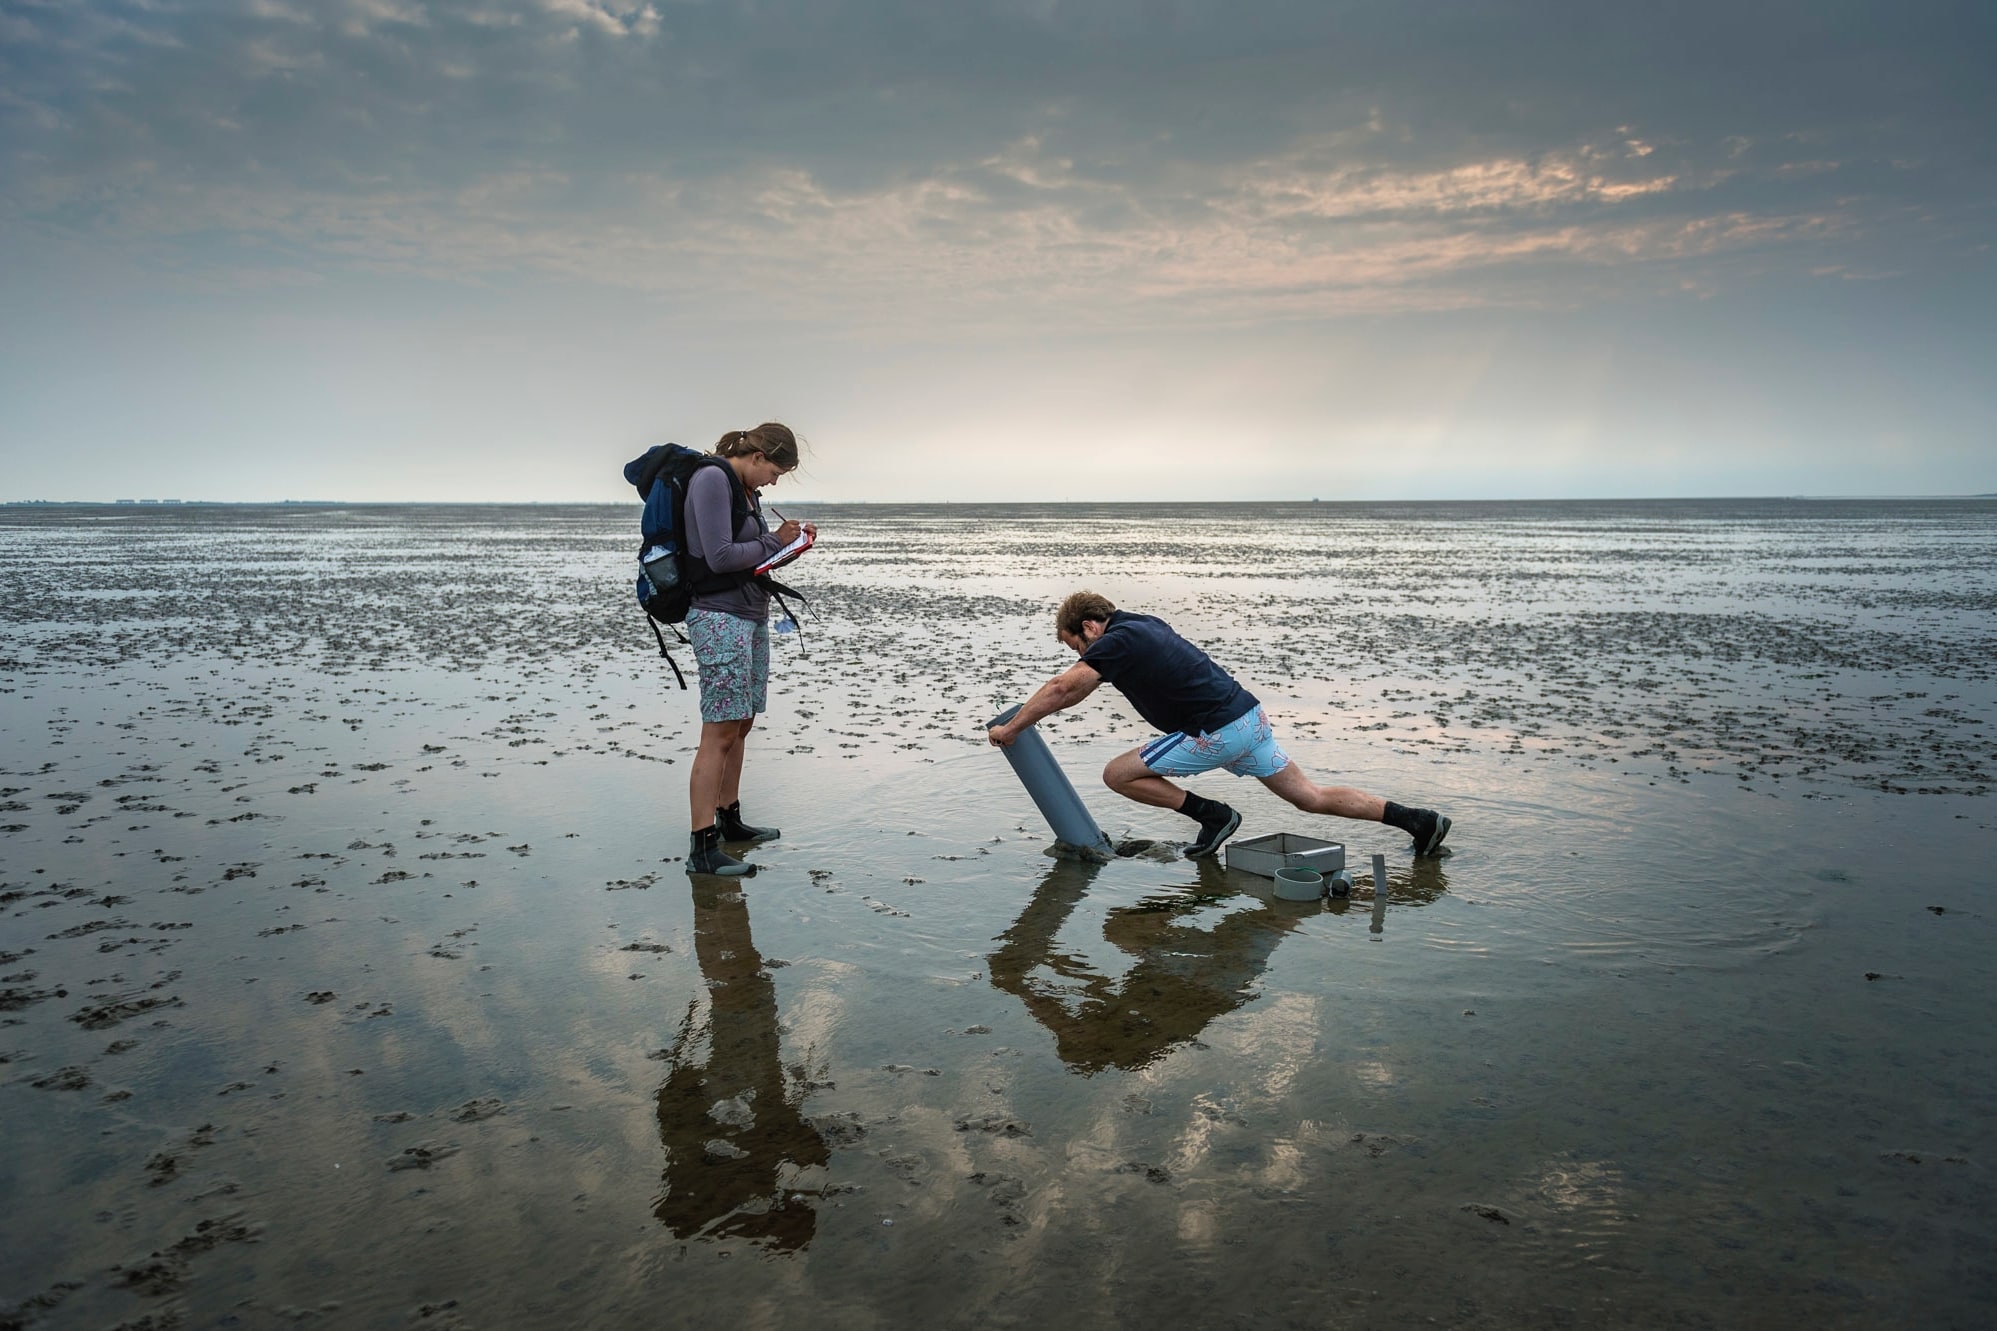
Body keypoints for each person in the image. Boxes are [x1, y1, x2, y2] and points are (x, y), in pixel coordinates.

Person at [987, 591, 1451, 860]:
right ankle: (1420, 821)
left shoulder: (1117, 639)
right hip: (1250, 719)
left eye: (1077, 647)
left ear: (1090, 627)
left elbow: (1063, 688)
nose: (1082, 655)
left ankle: (1214, 816)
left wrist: (1013, 728)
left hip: (1217, 732)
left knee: (1118, 774)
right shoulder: (1144, 624)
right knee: (1310, 797)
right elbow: (1081, 685)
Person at [683, 423, 813, 876]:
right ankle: (702, 848)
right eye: (774, 473)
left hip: (749, 614)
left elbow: (749, 556)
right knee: (718, 732)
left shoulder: (744, 490)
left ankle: (729, 819)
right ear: (757, 457)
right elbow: (719, 557)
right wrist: (776, 540)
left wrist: (789, 547)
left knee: (740, 723)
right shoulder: (712, 479)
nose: (773, 483)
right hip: (719, 617)